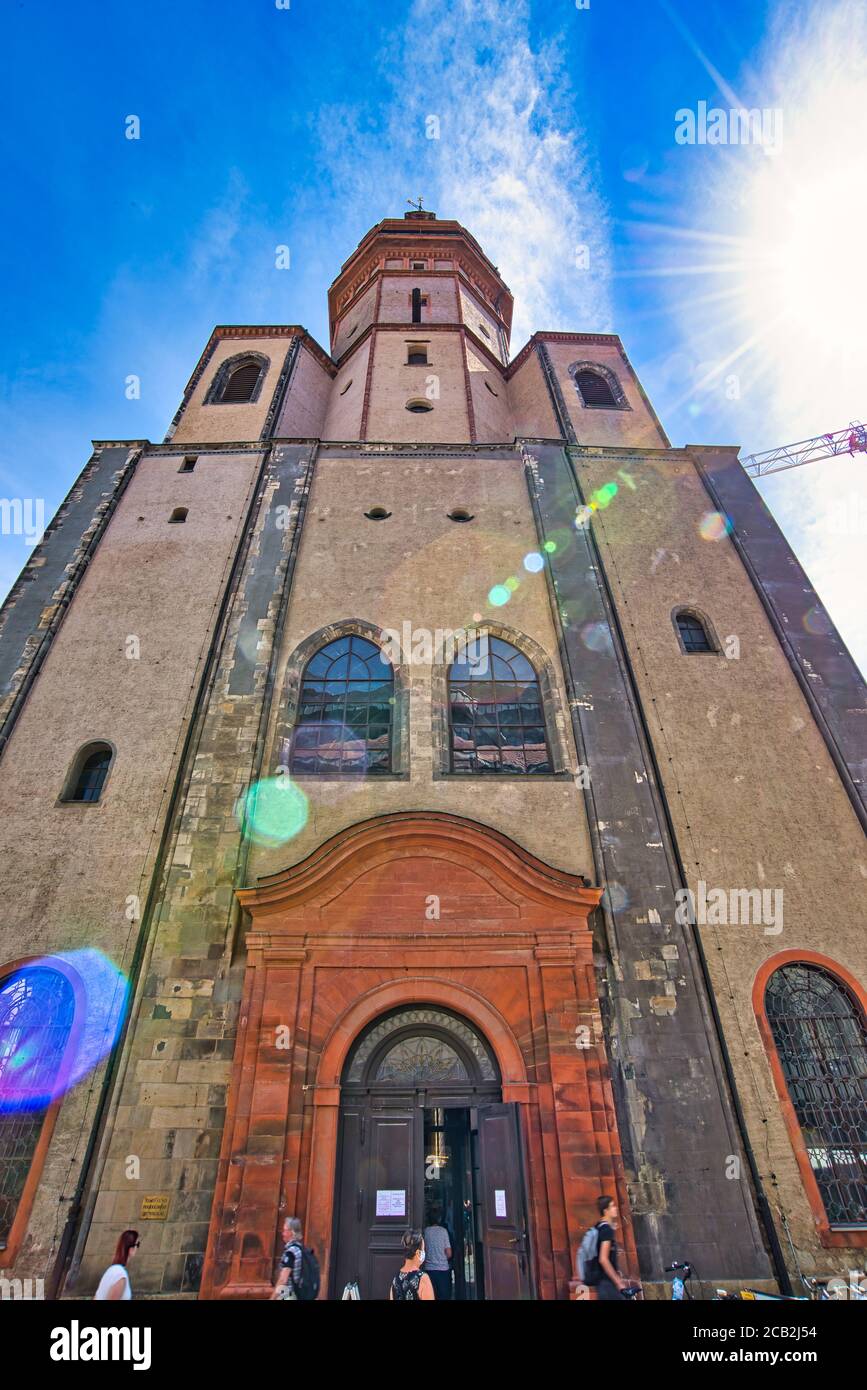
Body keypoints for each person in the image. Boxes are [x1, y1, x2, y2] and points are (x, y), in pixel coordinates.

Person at [270, 1215, 320, 1301]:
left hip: (290, 1295)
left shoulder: (291, 1252)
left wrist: (272, 1298)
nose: (283, 1233)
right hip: (300, 1293)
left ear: (291, 1232)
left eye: (285, 1230)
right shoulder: (301, 1249)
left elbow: (283, 1280)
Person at [594, 1195, 631, 1300]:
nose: (616, 1208)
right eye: (613, 1206)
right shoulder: (606, 1230)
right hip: (608, 1284)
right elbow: (603, 1259)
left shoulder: (598, 1227)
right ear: (606, 1210)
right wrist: (618, 1282)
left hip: (601, 1284)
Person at [94, 1229, 139, 1300]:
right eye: (137, 1244)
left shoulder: (110, 1271)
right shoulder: (120, 1275)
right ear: (131, 1248)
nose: (137, 1248)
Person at [389, 1229, 434, 1300]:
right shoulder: (422, 1278)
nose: (424, 1252)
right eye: (423, 1249)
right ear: (418, 1253)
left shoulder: (396, 1279)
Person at [422, 1206, 453, 1300]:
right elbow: (449, 1253)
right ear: (439, 1219)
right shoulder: (443, 1231)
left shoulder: (425, 1232)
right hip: (443, 1270)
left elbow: (424, 1250)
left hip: (429, 1270)